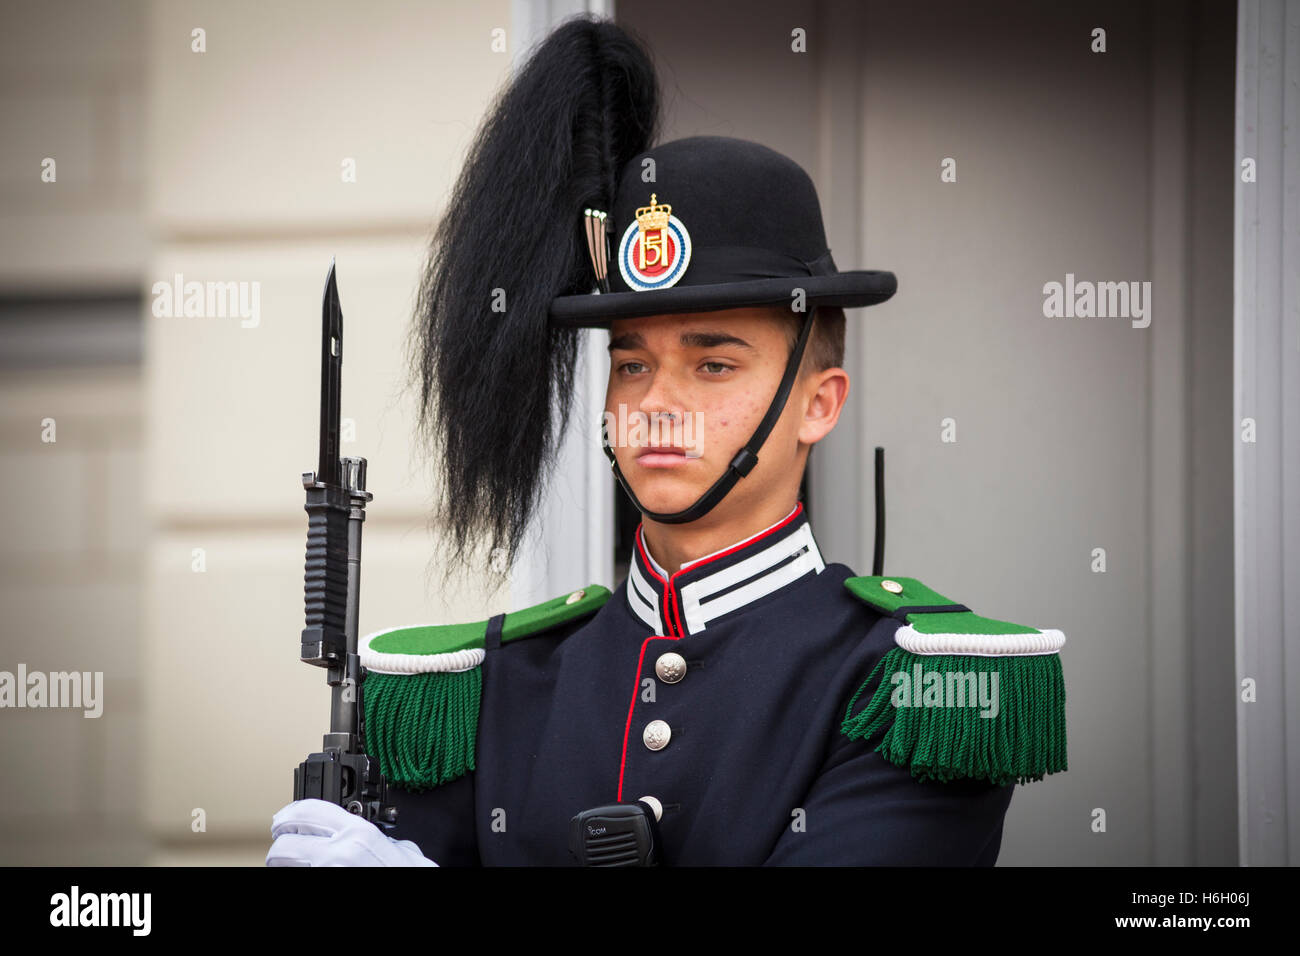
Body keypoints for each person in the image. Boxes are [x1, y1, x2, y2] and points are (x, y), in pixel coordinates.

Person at [266, 15, 1066, 867]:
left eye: (714, 365)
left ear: (819, 404)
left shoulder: (918, 692)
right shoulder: (491, 689)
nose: (656, 405)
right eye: (632, 363)